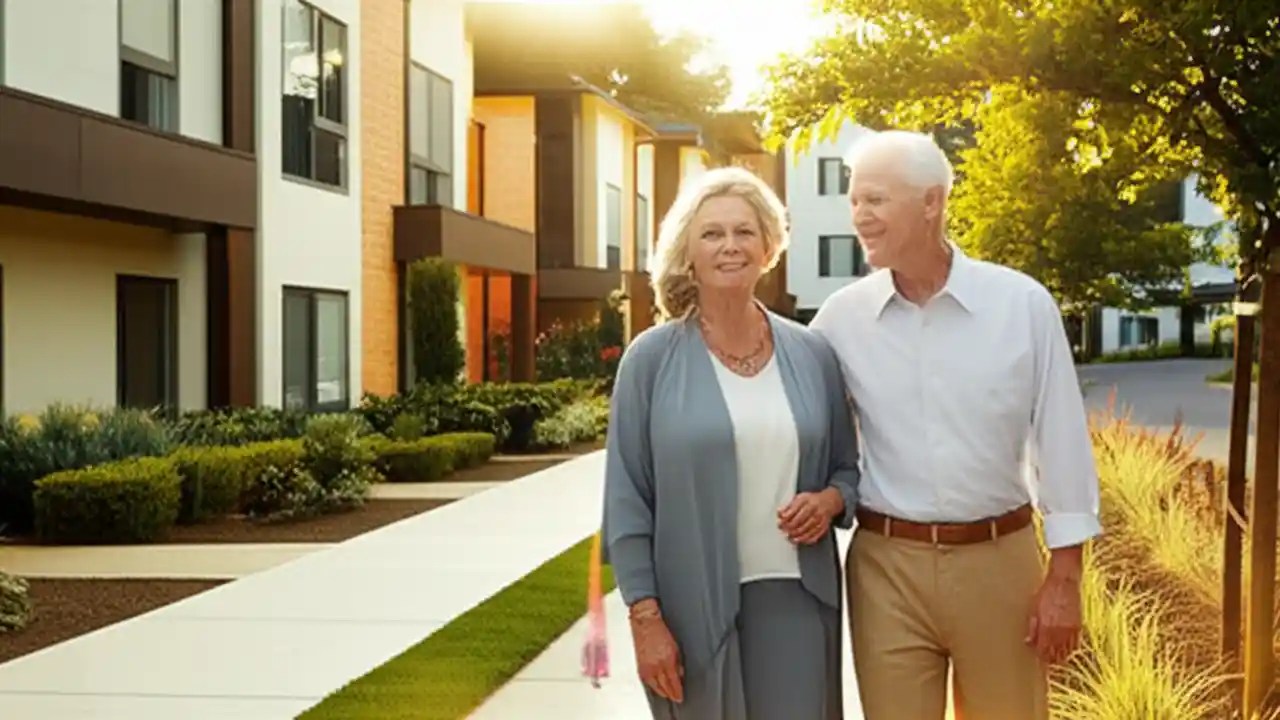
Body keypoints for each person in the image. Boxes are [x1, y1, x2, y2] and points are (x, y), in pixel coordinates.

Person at [808, 130, 1102, 720]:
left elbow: (1062, 443)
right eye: (855, 200)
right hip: (886, 568)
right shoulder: (840, 320)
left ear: (932, 202)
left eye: (876, 199)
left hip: (1000, 562)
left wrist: (1064, 579)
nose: (860, 216)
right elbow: (799, 425)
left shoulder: (1021, 305)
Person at [601, 166, 860, 719]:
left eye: (745, 232)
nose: (730, 246)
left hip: (798, 600)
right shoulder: (649, 361)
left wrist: (830, 501)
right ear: (687, 253)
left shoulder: (812, 354)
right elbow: (626, 504)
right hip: (689, 610)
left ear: (769, 247)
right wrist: (645, 619)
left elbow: (847, 469)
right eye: (712, 234)